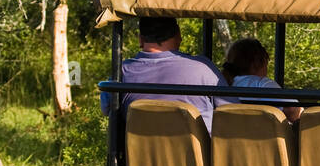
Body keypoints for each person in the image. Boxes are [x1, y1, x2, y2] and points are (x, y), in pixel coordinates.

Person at [100, 16, 234, 131]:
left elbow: (107, 110)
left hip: (139, 159)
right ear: (178, 35)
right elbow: (231, 111)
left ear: (140, 39)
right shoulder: (203, 68)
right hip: (197, 159)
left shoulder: (121, 72)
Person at [221, 37, 302, 122]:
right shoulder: (262, 84)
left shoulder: (223, 84)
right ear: (258, 62)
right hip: (265, 134)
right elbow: (292, 110)